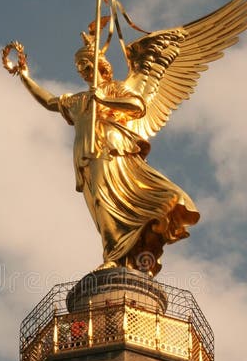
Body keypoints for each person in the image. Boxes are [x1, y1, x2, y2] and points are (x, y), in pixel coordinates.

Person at [17, 39, 199, 276]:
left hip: (111, 150)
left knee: (106, 200)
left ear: (102, 66)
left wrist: (102, 99)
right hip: (85, 156)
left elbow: (137, 106)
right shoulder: (79, 99)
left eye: (86, 64)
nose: (83, 70)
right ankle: (117, 255)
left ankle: (114, 257)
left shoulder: (114, 89)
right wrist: (25, 77)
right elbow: (50, 101)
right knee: (99, 206)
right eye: (79, 67)